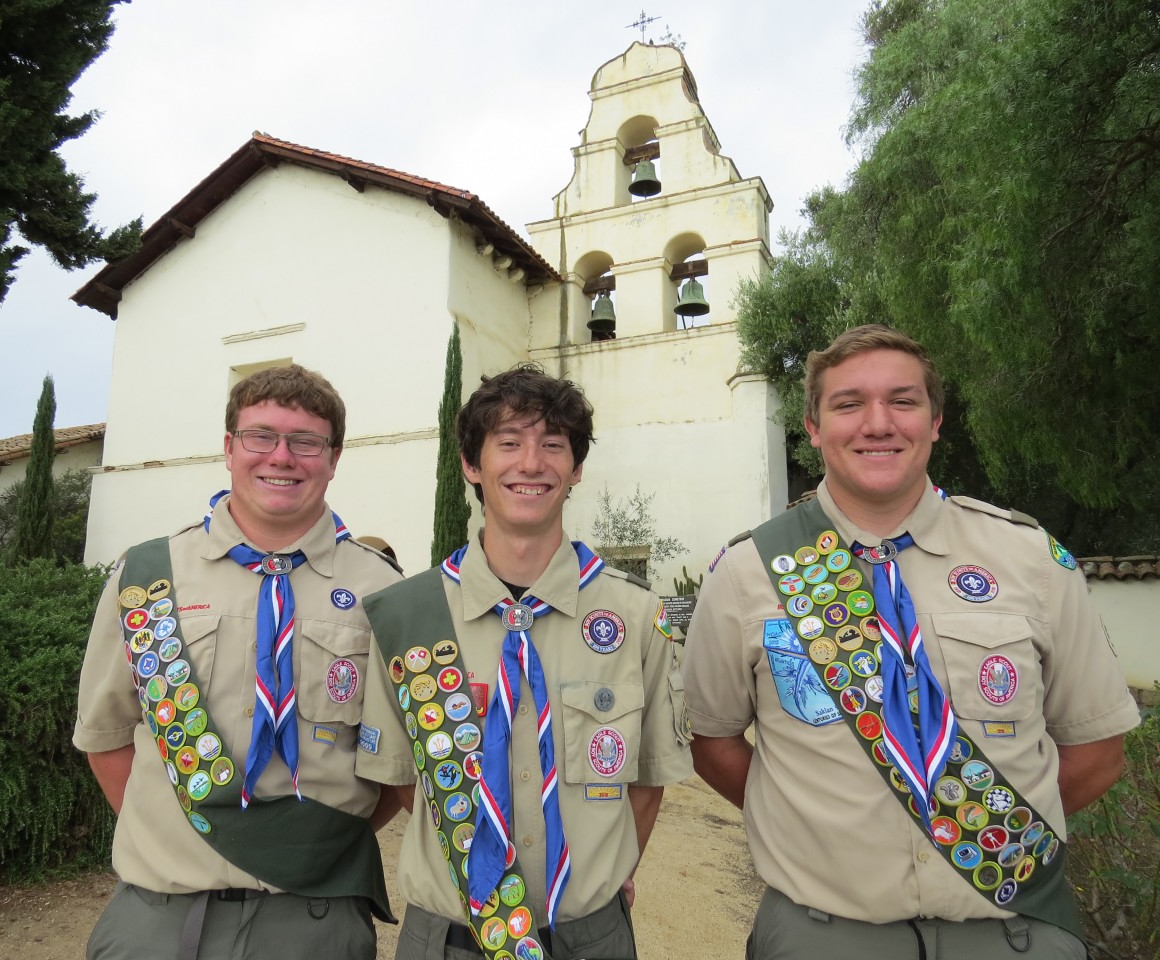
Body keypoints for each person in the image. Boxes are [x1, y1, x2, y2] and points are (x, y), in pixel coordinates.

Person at [683, 325, 1140, 959]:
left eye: (903, 401)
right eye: (848, 404)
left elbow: (1097, 750)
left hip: (1013, 929)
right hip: (822, 933)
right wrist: (814, 833)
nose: (878, 423)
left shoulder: (1030, 559)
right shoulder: (747, 573)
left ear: (935, 421)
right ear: (813, 428)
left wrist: (983, 834)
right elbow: (714, 745)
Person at [358, 363, 692, 960]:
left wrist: (595, 880)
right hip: (447, 938)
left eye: (553, 445)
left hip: (591, 938)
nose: (531, 463)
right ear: (471, 465)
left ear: (576, 468)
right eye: (508, 443)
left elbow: (644, 783)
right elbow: (412, 785)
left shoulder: (637, 616)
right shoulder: (408, 617)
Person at [74, 365, 403, 960]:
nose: (282, 456)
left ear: (333, 459)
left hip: (313, 918)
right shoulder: (148, 576)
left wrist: (299, 851)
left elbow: (392, 764)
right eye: (261, 436)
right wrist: (198, 836)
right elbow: (107, 739)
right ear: (229, 448)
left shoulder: (382, 591)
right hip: (157, 917)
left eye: (306, 441)